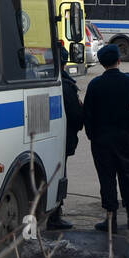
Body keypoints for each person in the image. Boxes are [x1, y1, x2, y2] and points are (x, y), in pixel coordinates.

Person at [82, 43, 129, 232]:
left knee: (107, 178)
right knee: (126, 175)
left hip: (102, 139)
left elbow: (87, 113)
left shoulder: (95, 85)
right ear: (119, 61)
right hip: (124, 137)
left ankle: (111, 220)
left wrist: (92, 135)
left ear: (101, 63)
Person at [47, 42, 82, 231]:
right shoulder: (66, 86)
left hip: (42, 138)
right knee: (59, 173)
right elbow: (76, 116)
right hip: (61, 139)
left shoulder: (43, 79)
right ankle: (55, 215)